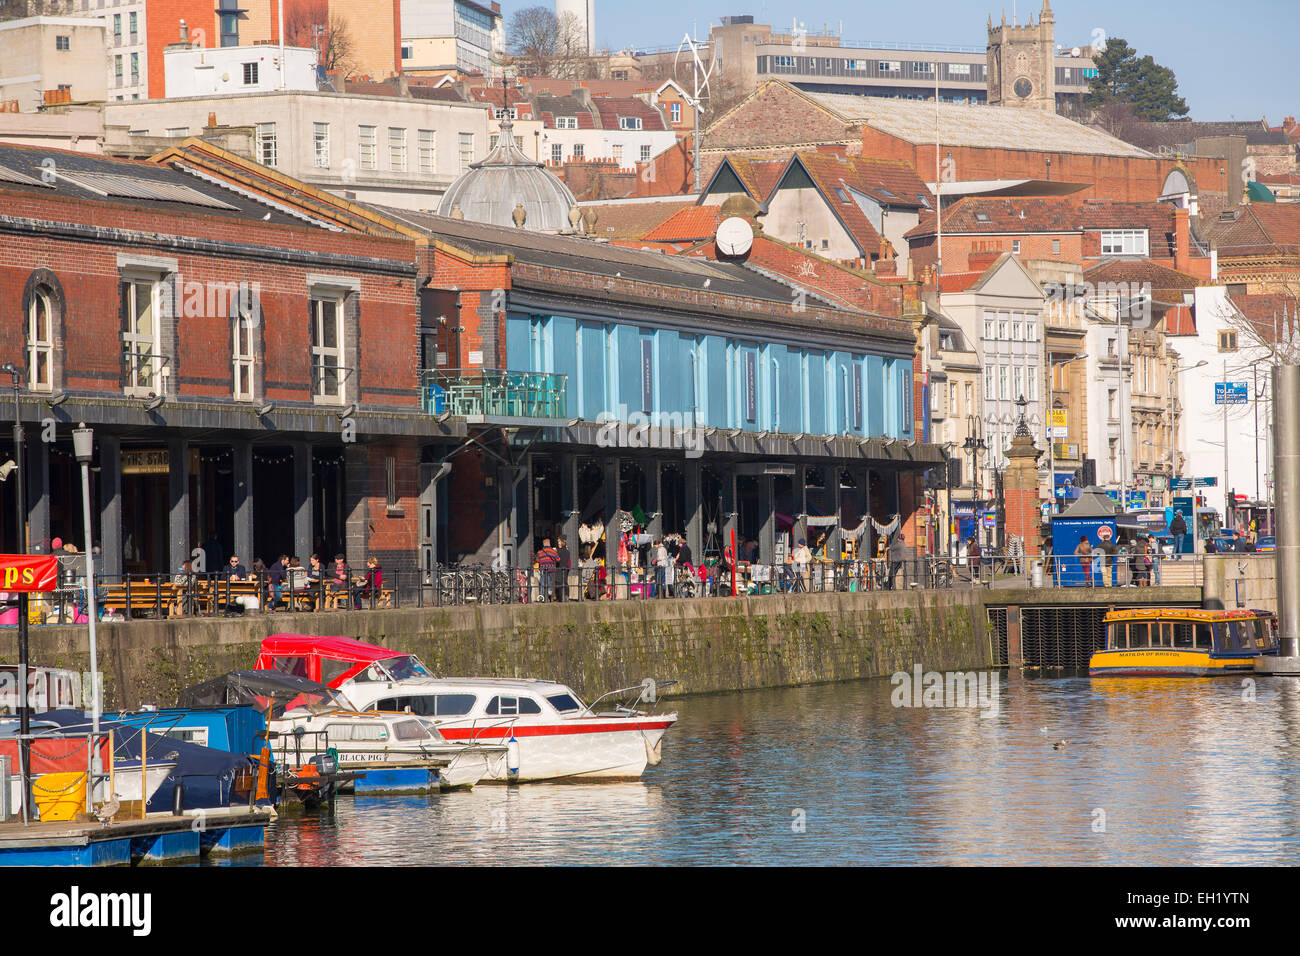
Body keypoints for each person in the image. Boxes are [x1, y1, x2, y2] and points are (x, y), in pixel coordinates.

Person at [556, 537, 571, 601]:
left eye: (559, 542)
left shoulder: (560, 551)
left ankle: (561, 597)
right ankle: (566, 596)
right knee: (565, 582)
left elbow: (558, 560)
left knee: (560, 582)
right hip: (566, 568)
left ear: (562, 542)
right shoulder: (567, 551)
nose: (558, 543)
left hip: (560, 567)